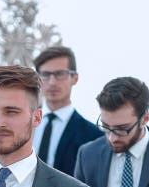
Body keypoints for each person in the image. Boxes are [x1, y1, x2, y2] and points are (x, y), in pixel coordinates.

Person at [32, 45, 102, 175]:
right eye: (46, 75)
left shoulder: (93, 136)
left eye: (60, 74)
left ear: (75, 78)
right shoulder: (24, 123)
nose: (52, 82)